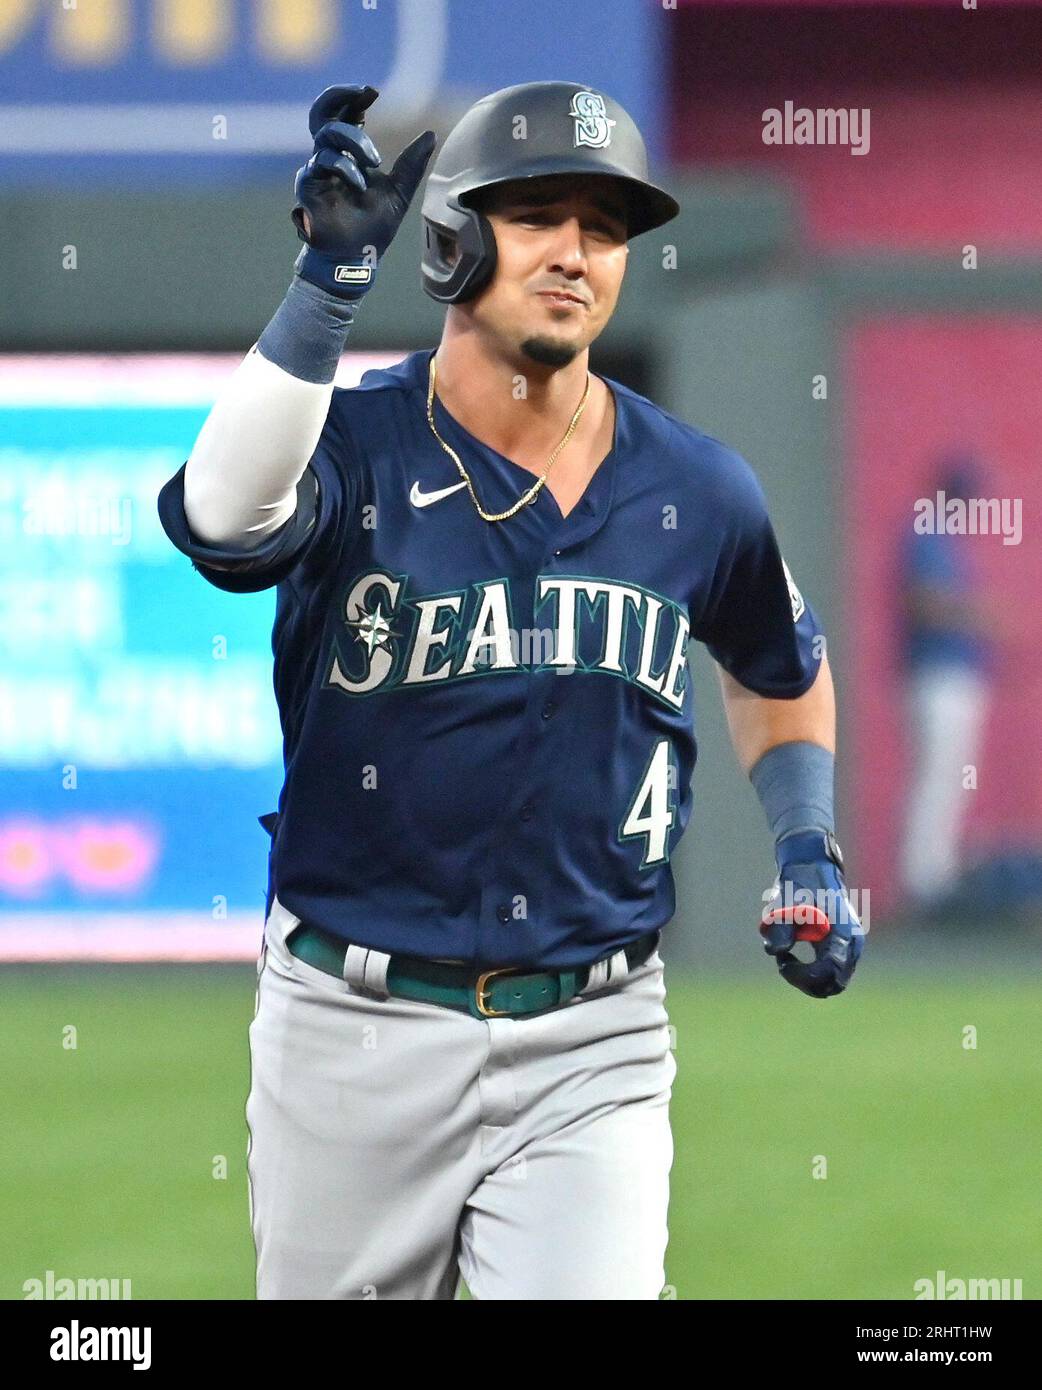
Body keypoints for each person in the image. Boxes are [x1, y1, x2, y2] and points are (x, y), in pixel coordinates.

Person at [157, 80, 863, 1301]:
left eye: (604, 227)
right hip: (352, 1024)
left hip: (594, 1029)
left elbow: (778, 669)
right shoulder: (359, 442)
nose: (576, 253)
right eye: (536, 214)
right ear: (450, 239)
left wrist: (805, 842)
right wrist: (322, 290)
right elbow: (223, 517)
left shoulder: (697, 488)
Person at [897, 454, 995, 914]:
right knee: (938, 777)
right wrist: (977, 615)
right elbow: (925, 605)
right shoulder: (925, 534)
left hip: (953, 676)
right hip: (937, 676)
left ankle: (936, 875)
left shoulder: (944, 538)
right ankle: (925, 883)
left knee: (953, 778)